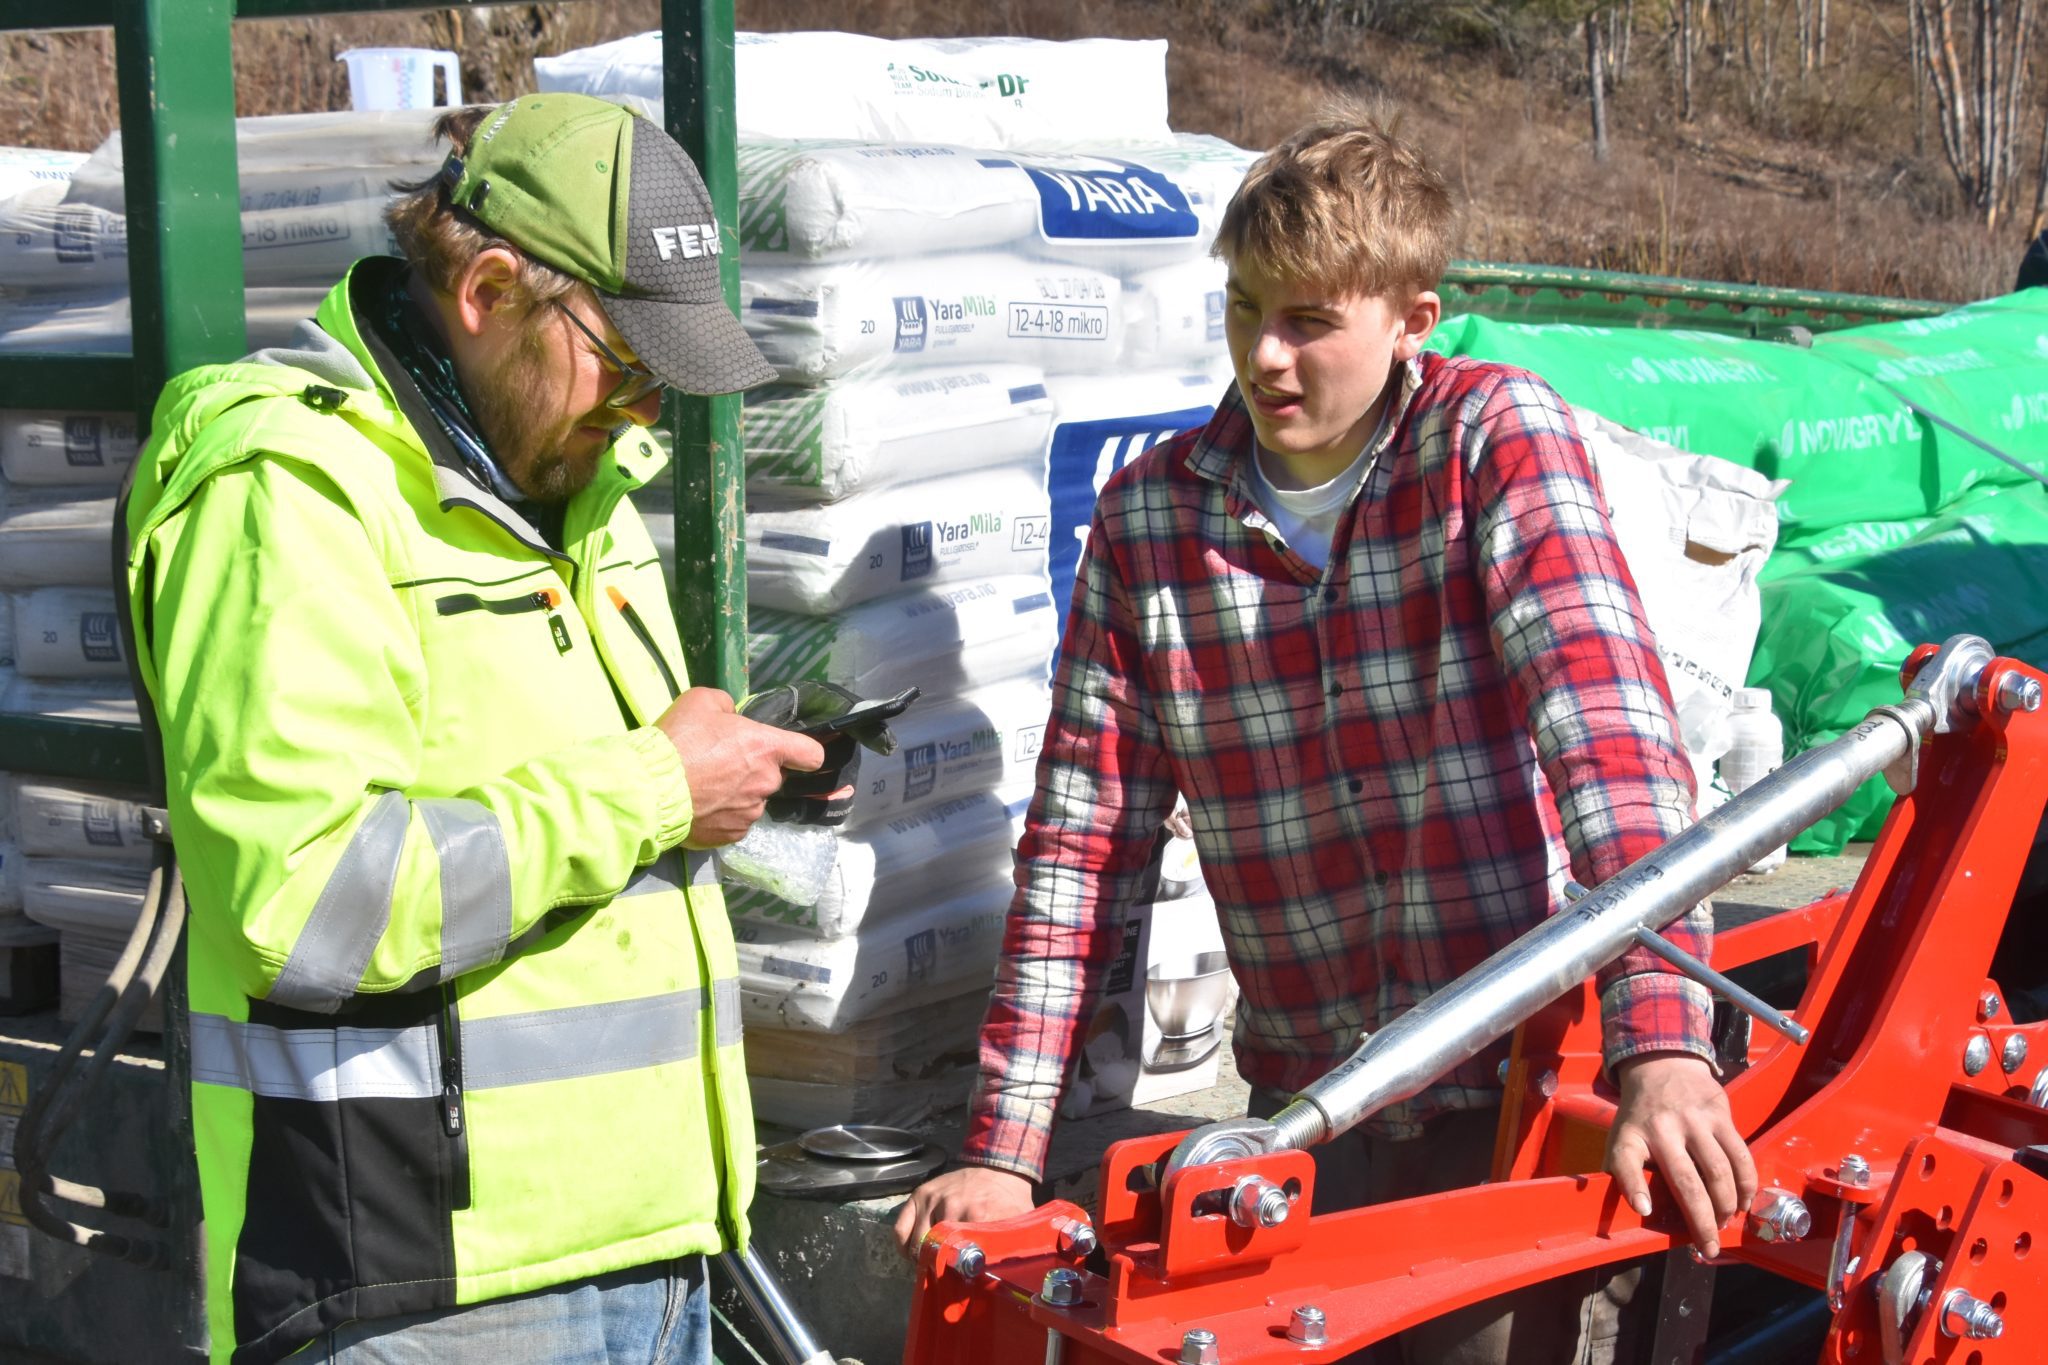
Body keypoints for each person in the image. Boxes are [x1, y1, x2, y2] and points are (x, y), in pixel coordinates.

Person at [893, 111, 1756, 1364]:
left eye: (1308, 321)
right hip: (1303, 1107)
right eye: (1244, 309)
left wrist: (1662, 1045)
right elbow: (1084, 850)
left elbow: (1608, 748)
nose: (1265, 355)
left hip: (1505, 1089)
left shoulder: (1486, 444)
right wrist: (1003, 1151)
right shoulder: (1151, 524)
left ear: (1412, 321)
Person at [122, 94, 840, 1365]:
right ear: (488, 290)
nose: (643, 412)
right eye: (625, 362)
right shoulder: (290, 496)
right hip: (427, 1295)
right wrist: (656, 787)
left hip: (648, 1248)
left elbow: (562, 804)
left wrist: (729, 776)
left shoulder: (577, 491)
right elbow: (302, 899)